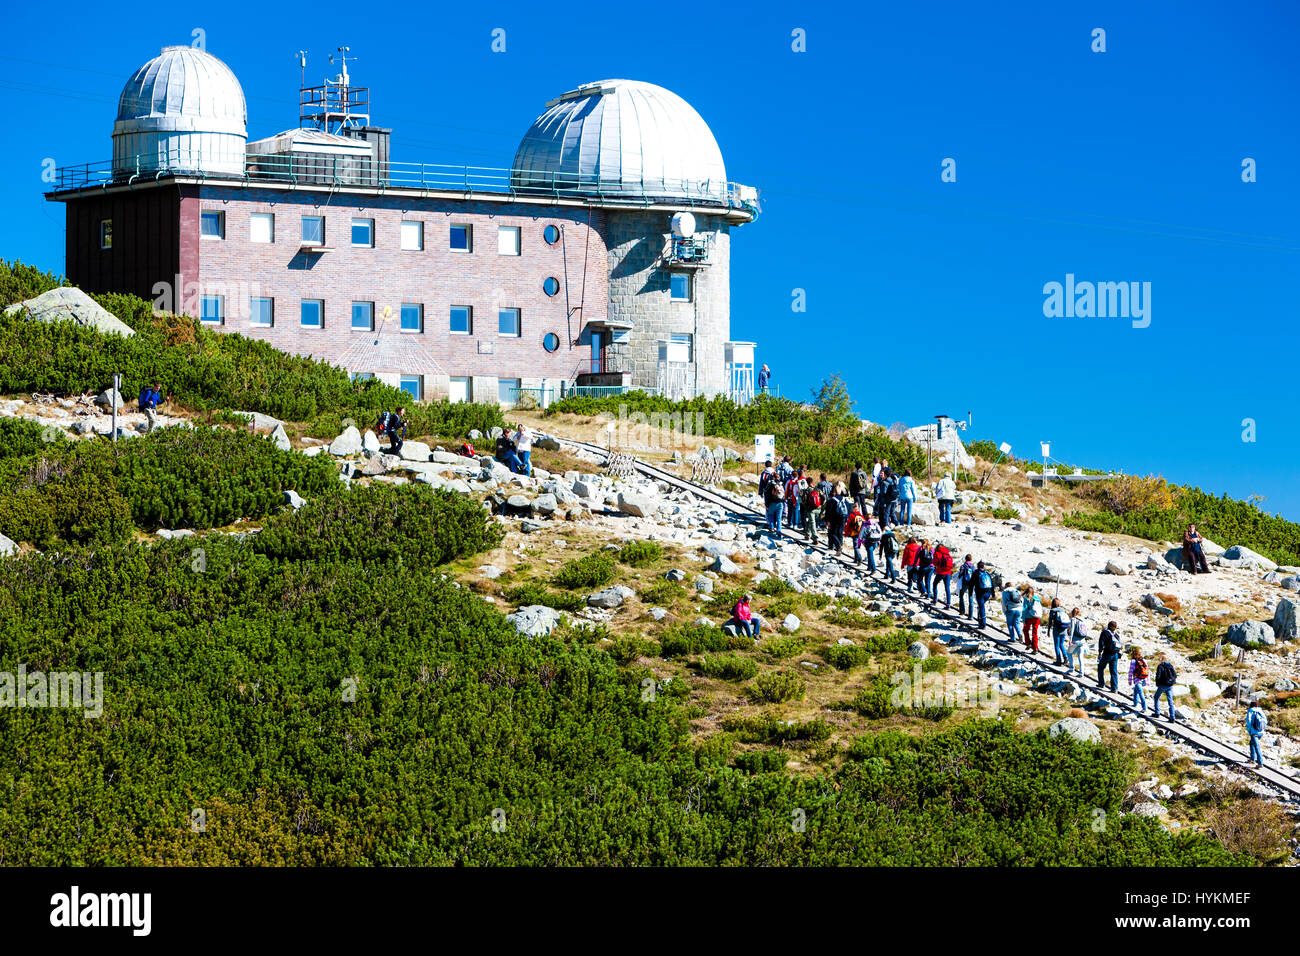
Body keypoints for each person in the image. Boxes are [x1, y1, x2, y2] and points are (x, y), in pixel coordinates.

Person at [1152, 655, 1178, 720]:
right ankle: (1172, 717)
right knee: (1170, 701)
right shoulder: (1170, 665)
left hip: (1162, 685)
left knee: (1156, 697)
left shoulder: (1160, 666)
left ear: (1161, 659)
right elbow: (1175, 675)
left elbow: (1158, 675)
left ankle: (1157, 713)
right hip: (1170, 685)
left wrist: (1157, 684)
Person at [1097, 621, 1121, 691]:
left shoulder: (1105, 633)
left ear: (1109, 626)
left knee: (1100, 667)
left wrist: (1099, 652)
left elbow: (1101, 643)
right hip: (1115, 654)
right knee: (1113, 671)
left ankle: (1101, 683)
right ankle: (1114, 688)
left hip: (1107, 654)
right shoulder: (1116, 635)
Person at [826, 483, 849, 553]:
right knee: (840, 533)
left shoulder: (832, 500)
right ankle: (840, 546)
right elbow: (847, 494)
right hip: (843, 517)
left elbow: (829, 512)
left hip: (835, 518)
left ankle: (838, 547)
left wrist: (827, 521)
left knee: (832, 533)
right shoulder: (842, 498)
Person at [763, 468, 786, 536]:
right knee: (779, 518)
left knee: (770, 515)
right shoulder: (781, 484)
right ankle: (779, 530)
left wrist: (766, 504)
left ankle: (772, 527)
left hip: (772, 502)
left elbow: (767, 494)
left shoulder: (770, 483)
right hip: (780, 503)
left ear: (773, 477)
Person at [1246, 700, 1268, 767]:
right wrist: (1262, 730)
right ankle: (1252, 759)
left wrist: (1250, 731)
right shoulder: (1260, 711)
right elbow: (1266, 721)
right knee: (1251, 743)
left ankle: (1260, 763)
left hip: (1254, 732)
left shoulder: (1250, 711)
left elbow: (1249, 722)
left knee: (1257, 747)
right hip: (1260, 732)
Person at [932, 541, 954, 605]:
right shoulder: (947, 553)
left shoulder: (937, 553)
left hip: (941, 572)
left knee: (935, 584)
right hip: (948, 573)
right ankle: (948, 604)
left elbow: (934, 563)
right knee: (947, 588)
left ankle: (935, 599)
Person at [1128, 646, 1149, 712]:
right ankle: (1135, 703)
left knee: (1140, 693)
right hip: (1144, 678)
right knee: (1136, 690)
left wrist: (1129, 681)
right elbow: (1147, 671)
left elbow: (1130, 672)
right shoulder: (1144, 660)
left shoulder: (1133, 661)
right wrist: (1147, 681)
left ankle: (1144, 707)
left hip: (1137, 680)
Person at [974, 561, 995, 629]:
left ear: (977, 566)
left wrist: (971, 592)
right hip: (988, 592)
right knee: (980, 606)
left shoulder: (976, 573)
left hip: (980, 593)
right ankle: (980, 621)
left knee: (981, 607)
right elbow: (992, 583)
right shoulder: (987, 573)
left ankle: (983, 624)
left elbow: (972, 583)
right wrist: (993, 593)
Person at [1022, 586, 1042, 651]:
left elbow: (1024, 609)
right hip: (1037, 618)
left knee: (1025, 630)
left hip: (1029, 617)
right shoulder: (1037, 599)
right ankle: (1035, 647)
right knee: (1035, 633)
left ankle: (1028, 643)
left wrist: (1023, 619)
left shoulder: (1026, 599)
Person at [957, 554, 978, 619]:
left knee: (961, 595)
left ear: (965, 559)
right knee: (970, 598)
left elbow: (960, 574)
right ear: (971, 559)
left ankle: (962, 611)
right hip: (971, 583)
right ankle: (970, 615)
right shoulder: (973, 567)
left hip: (965, 582)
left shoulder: (963, 566)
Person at [801, 479, 820, 544]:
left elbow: (803, 500)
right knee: (810, 521)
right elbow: (823, 498)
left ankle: (815, 538)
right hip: (818, 508)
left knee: (812, 522)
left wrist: (806, 507)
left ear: (807, 483)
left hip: (810, 509)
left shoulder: (806, 490)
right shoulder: (817, 489)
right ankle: (807, 535)